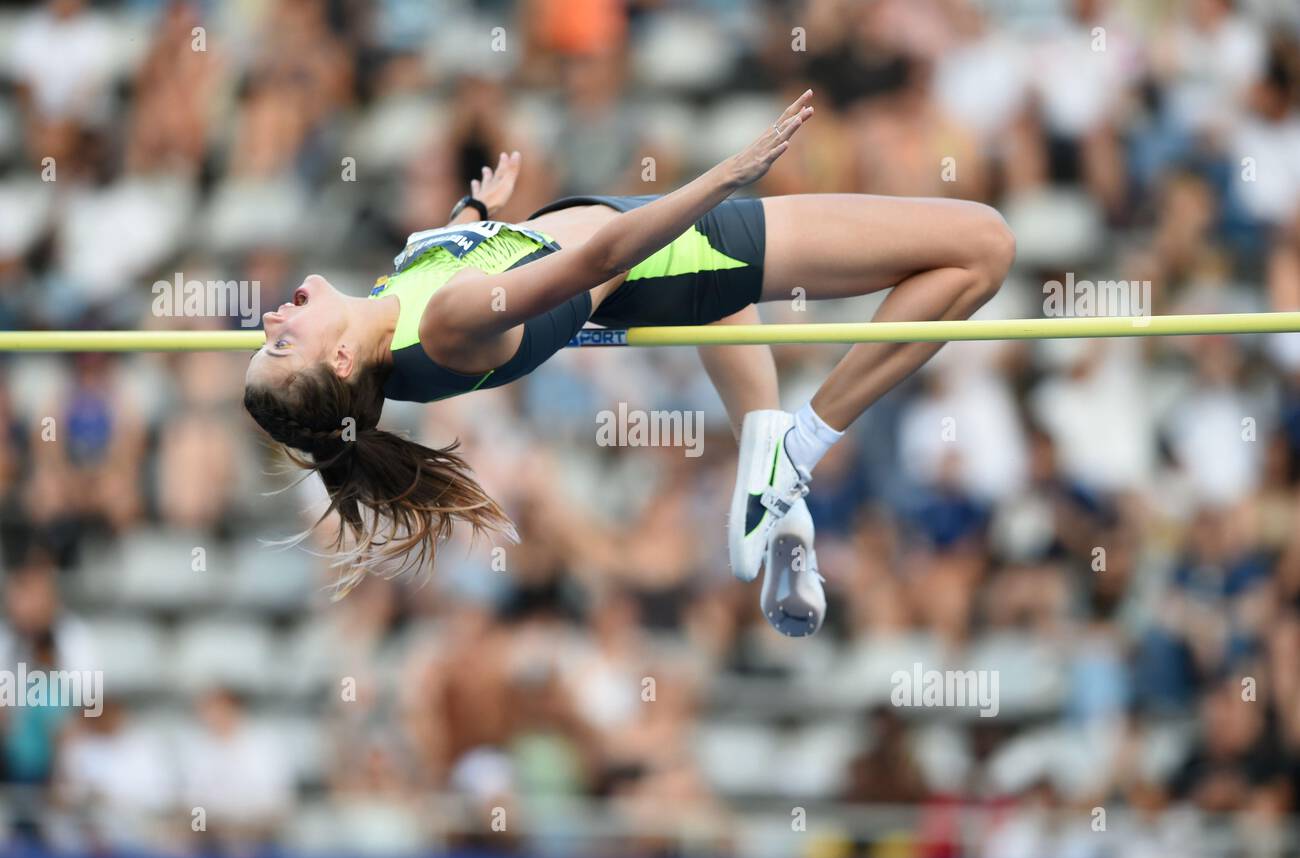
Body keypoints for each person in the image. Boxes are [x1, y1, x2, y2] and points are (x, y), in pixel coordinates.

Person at [242, 91, 1016, 636]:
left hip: (652, 262)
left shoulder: (391, 320)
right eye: (281, 342)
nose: (274, 316)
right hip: (682, 252)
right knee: (983, 246)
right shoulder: (446, 323)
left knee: (748, 376)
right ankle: (803, 447)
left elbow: (454, 269)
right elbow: (599, 257)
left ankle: (787, 515)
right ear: (341, 359)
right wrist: (724, 175)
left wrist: (476, 213)